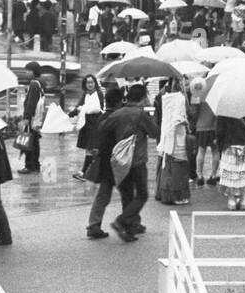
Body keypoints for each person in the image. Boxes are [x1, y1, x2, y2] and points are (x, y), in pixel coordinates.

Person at [88, 84, 158, 241]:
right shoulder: (140, 115)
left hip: (121, 162)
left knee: (127, 194)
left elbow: (102, 127)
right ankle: (121, 221)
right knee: (141, 195)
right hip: (137, 161)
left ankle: (129, 228)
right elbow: (155, 133)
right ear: (142, 97)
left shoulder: (118, 114)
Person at [154, 79, 191, 206]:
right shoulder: (180, 98)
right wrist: (186, 122)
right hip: (178, 135)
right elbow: (179, 118)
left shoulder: (165, 97)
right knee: (178, 166)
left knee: (167, 164)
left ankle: (164, 193)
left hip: (166, 134)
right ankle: (177, 196)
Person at [216, 106, 245, 212]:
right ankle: (243, 198)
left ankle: (232, 199)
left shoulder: (224, 108)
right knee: (243, 173)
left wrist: (220, 147)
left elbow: (220, 130)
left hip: (229, 145)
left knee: (232, 174)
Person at [70, 73, 104, 181]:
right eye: (88, 82)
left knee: (93, 149)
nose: (90, 84)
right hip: (87, 124)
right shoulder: (85, 94)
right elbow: (79, 106)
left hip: (96, 123)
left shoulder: (98, 93)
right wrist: (73, 112)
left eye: (91, 82)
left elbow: (98, 108)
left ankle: (85, 172)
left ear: (95, 83)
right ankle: (89, 173)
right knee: (90, 149)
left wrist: (83, 108)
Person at [18, 62, 45, 174]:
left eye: (28, 71)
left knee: (28, 141)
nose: (26, 73)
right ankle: (35, 164)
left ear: (34, 72)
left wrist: (27, 118)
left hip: (32, 118)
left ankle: (29, 165)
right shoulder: (39, 83)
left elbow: (31, 103)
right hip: (36, 119)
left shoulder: (34, 84)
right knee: (34, 141)